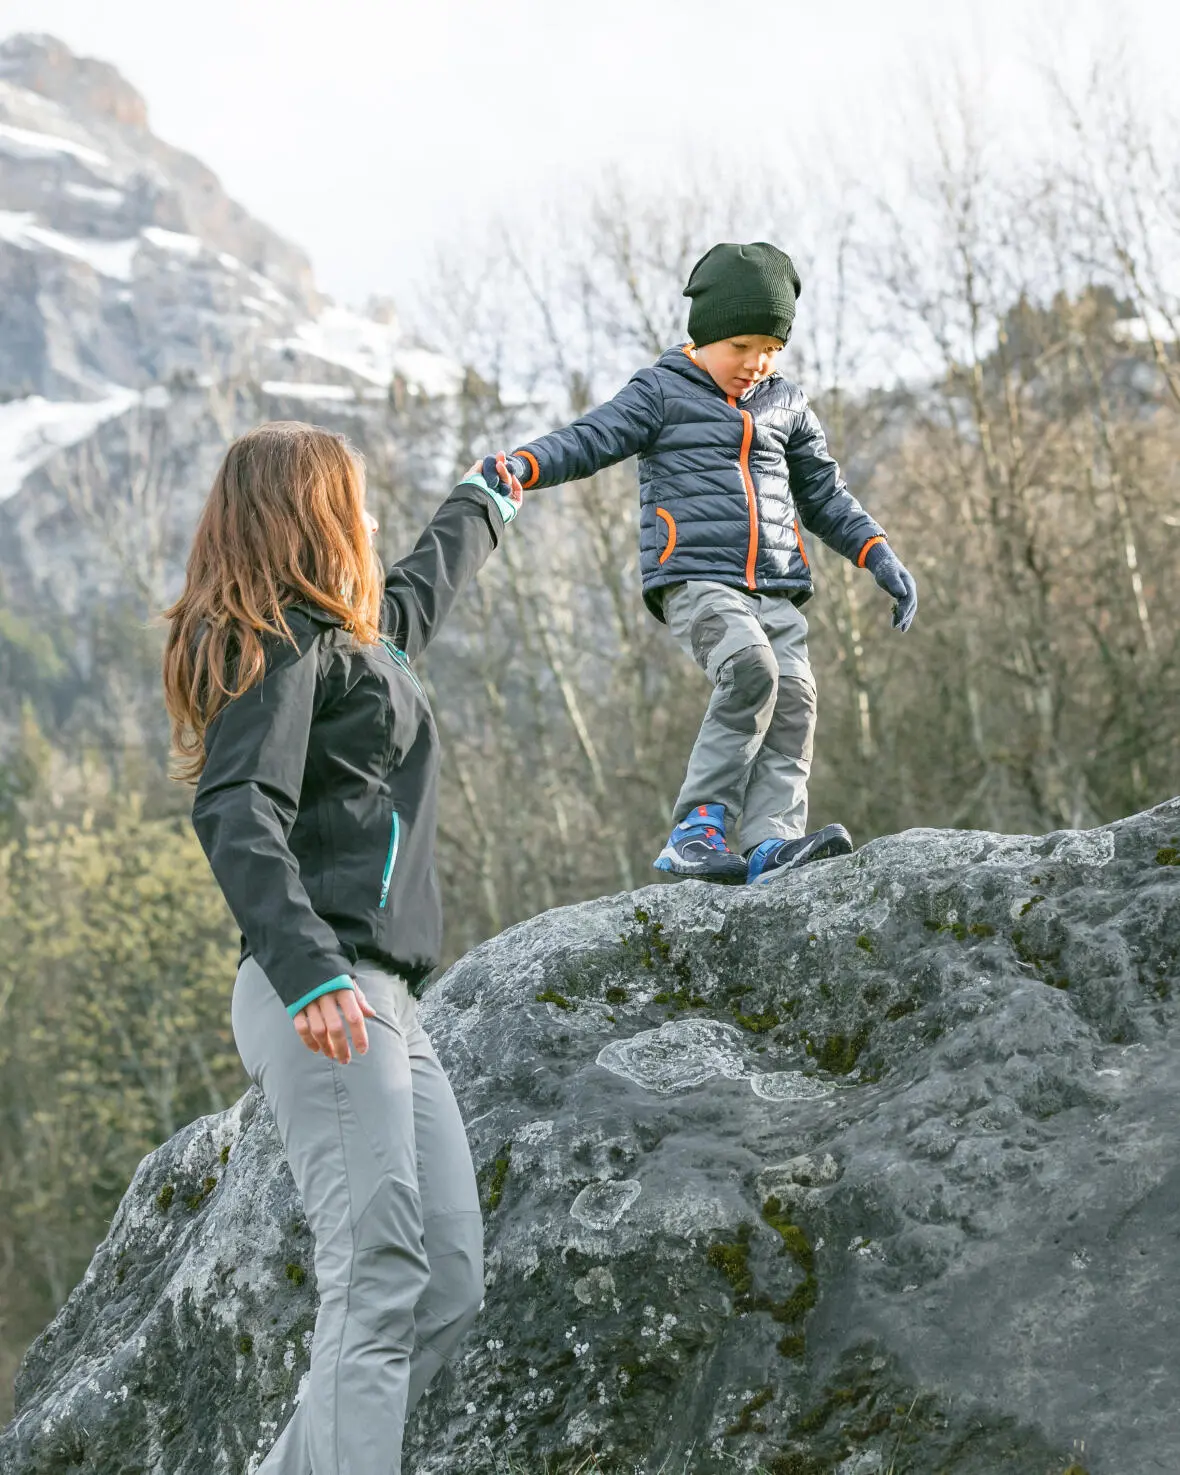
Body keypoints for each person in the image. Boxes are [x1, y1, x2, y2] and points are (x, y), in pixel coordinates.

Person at [162, 422, 523, 1474]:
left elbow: (409, 602)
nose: (369, 519)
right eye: (353, 501)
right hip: (322, 989)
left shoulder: (352, 644)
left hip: (390, 1005)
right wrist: (309, 967)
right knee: (375, 1269)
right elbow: (236, 805)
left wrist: (484, 500)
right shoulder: (275, 639)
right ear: (309, 515)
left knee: (447, 1277)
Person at [483, 240, 917, 886]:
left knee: (796, 694)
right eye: (740, 347)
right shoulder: (662, 392)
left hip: (778, 586)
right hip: (696, 579)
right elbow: (592, 437)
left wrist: (877, 552)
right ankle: (697, 828)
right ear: (706, 335)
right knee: (750, 669)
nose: (755, 363)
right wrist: (525, 463)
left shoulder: (787, 405)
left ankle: (773, 840)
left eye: (770, 348)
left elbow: (824, 494)